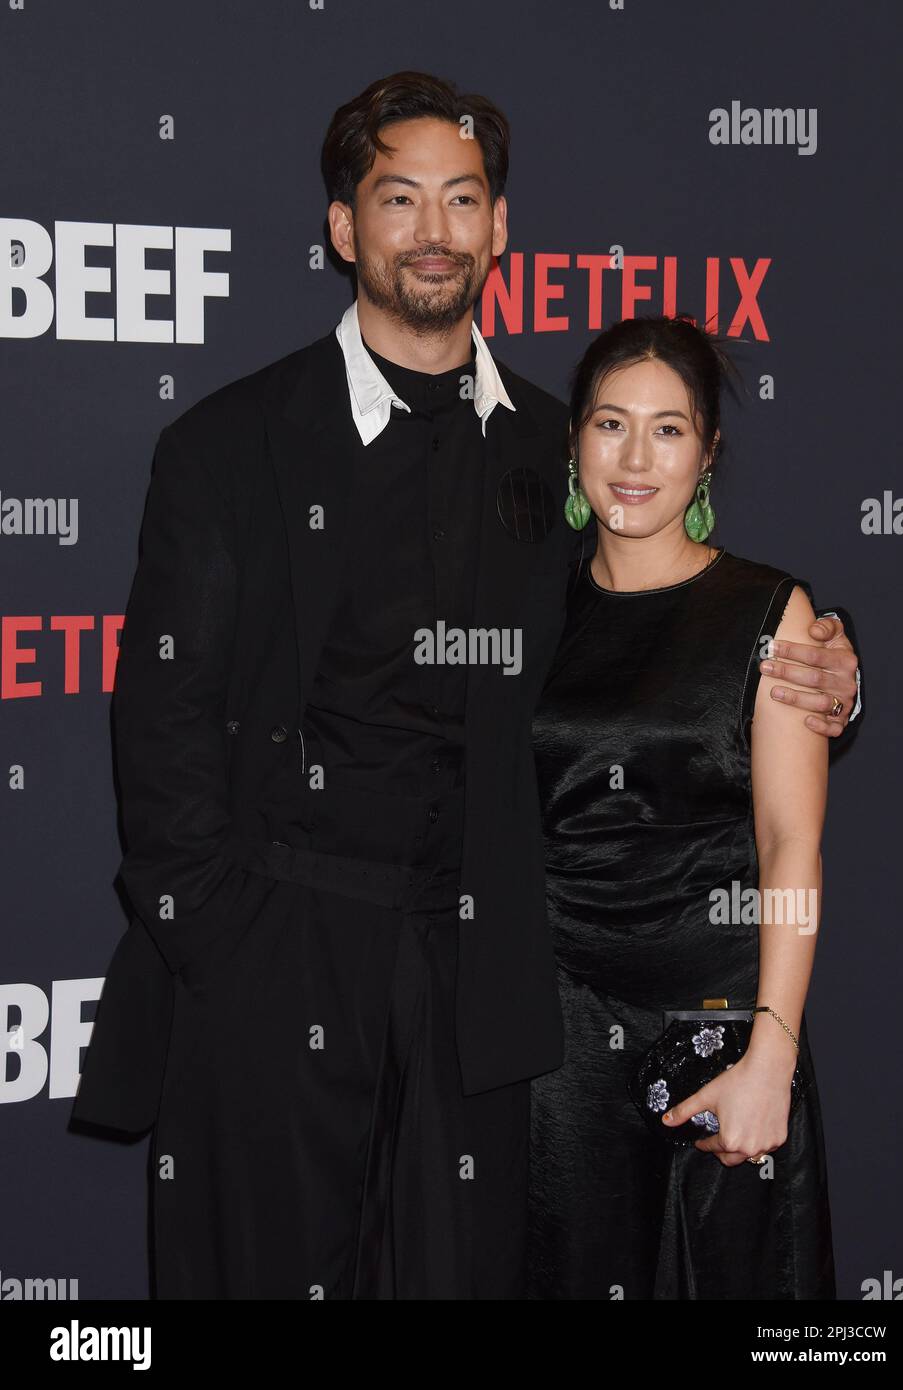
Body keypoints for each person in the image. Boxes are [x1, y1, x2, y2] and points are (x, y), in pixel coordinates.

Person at [69, 72, 860, 1301]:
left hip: (486, 993)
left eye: (463, 198)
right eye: (399, 198)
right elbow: (160, 721)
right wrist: (225, 948)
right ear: (345, 229)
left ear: (499, 229)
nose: (433, 230)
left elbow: (665, 629)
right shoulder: (227, 447)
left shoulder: (560, 452)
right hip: (273, 962)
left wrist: (823, 670)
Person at [526, 315, 841, 1299]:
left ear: (707, 452)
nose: (634, 457)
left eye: (668, 430)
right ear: (574, 438)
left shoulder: (768, 614)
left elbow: (792, 846)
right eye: (610, 424)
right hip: (558, 1042)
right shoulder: (530, 610)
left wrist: (772, 1047)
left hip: (720, 1024)